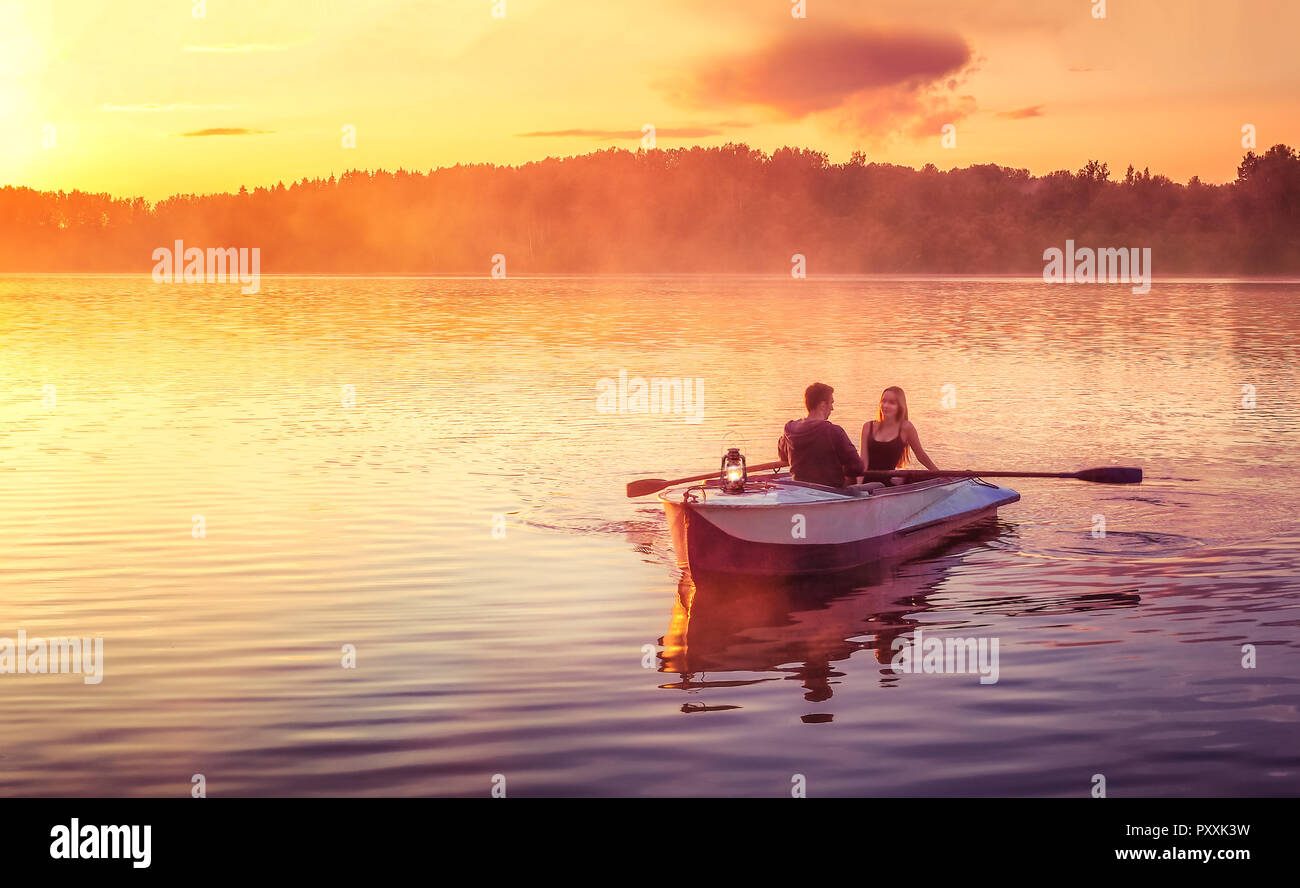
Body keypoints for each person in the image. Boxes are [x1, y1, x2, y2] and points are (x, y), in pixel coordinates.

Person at [777, 382, 864, 488]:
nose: (832, 408)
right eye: (831, 403)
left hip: (800, 489)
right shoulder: (834, 432)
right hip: (832, 493)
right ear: (823, 405)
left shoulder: (789, 429)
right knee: (878, 485)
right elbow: (857, 468)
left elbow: (783, 456)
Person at [860, 386, 940, 484]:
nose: (885, 405)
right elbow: (863, 461)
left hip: (886, 484)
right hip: (867, 483)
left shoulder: (906, 428)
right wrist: (857, 486)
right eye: (883, 401)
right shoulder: (868, 426)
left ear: (900, 406)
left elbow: (921, 455)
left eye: (891, 403)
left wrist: (940, 475)